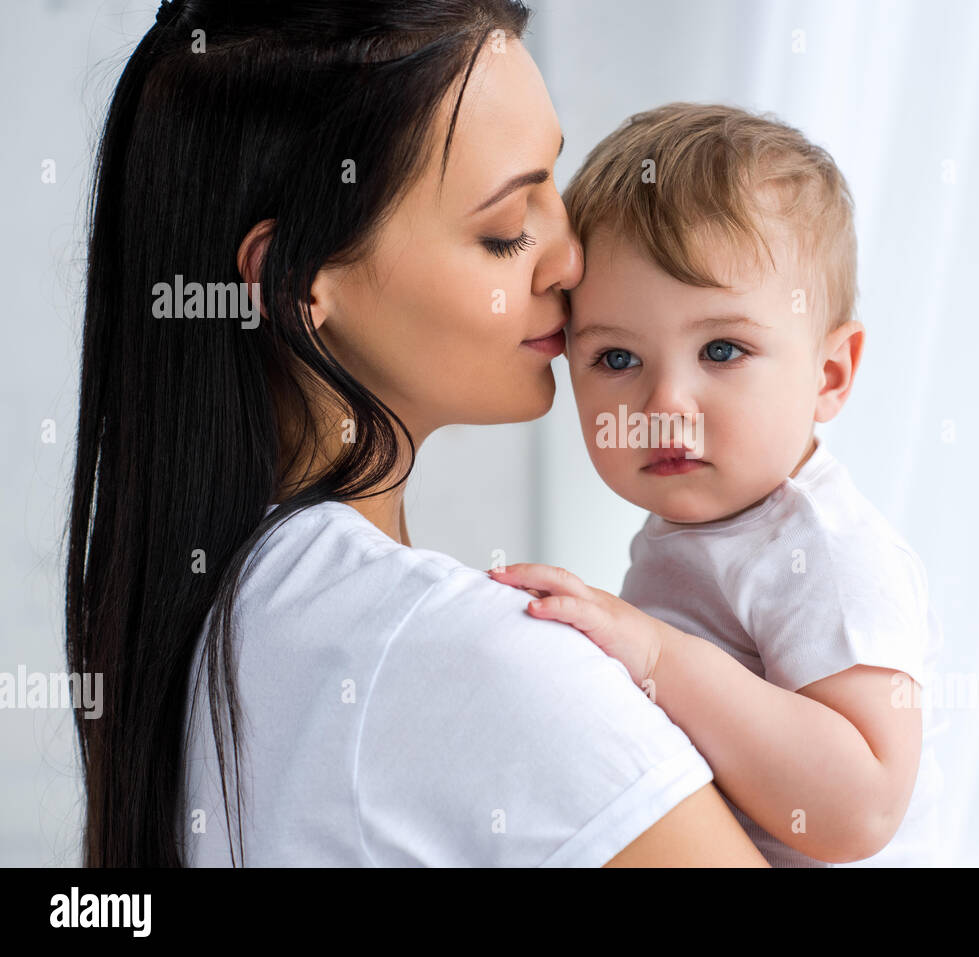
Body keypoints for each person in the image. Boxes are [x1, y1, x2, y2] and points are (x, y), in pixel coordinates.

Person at [65, 0, 767, 867]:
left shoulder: (207, 631)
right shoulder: (477, 662)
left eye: (555, 179)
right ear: (291, 287)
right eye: (505, 232)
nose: (571, 259)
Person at [488, 103, 944, 866]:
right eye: (618, 360)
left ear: (829, 375)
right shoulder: (698, 530)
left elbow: (860, 806)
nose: (665, 405)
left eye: (723, 349)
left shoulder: (824, 551)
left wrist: (657, 658)